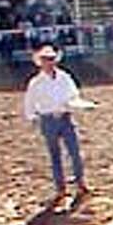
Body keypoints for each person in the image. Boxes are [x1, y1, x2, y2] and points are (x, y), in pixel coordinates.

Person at [21, 44, 88, 211]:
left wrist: (74, 104)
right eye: (45, 59)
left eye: (51, 59)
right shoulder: (36, 82)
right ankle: (61, 188)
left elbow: (73, 95)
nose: (49, 62)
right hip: (48, 118)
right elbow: (29, 102)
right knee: (55, 155)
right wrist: (33, 118)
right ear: (40, 62)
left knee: (74, 152)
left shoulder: (64, 77)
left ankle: (80, 183)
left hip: (64, 116)